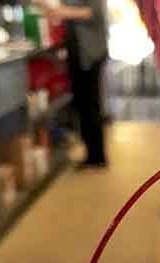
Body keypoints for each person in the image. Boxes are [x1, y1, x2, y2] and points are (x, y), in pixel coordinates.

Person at [43, 0, 108, 168]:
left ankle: (96, 157)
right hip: (78, 52)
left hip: (89, 53)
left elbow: (91, 12)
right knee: (82, 104)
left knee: (90, 105)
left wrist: (62, 12)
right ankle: (91, 154)